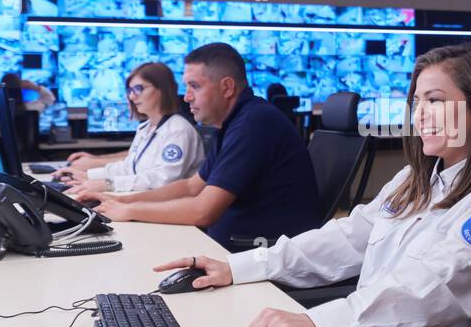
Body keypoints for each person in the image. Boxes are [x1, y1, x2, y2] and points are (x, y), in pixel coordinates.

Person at [153, 42, 471, 327]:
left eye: (435, 100)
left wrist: (320, 323)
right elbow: (348, 238)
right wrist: (240, 267)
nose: (420, 115)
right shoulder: (416, 179)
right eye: (416, 102)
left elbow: (432, 290)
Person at [91, 43, 321, 248]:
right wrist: (123, 201)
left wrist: (131, 211)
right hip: (224, 247)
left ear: (227, 87)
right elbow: (192, 187)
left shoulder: (254, 123)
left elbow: (203, 211)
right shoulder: (234, 123)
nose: (187, 97)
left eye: (195, 86)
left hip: (254, 255)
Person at [60, 62, 203, 196]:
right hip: (142, 201)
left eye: (139, 89)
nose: (132, 96)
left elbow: (162, 180)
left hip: (169, 209)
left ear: (162, 89)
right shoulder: (145, 128)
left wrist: (108, 184)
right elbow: (129, 167)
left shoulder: (178, 131)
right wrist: (88, 176)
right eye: (130, 90)